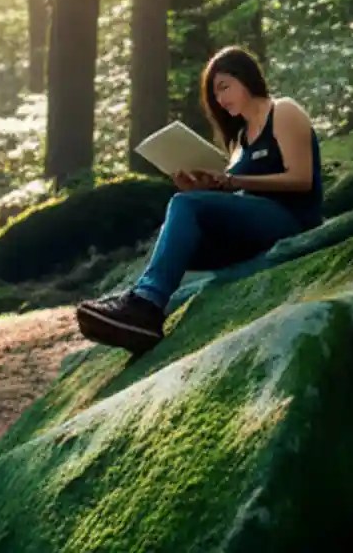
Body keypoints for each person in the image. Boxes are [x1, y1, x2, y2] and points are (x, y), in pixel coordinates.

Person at [75, 46, 324, 354]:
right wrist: (200, 190)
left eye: (224, 87)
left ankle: (146, 305)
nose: (220, 99)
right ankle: (137, 307)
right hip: (253, 228)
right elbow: (236, 199)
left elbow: (302, 179)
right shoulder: (239, 140)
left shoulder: (283, 111)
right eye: (215, 95)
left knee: (184, 206)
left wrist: (233, 181)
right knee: (184, 231)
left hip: (292, 219)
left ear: (246, 78)